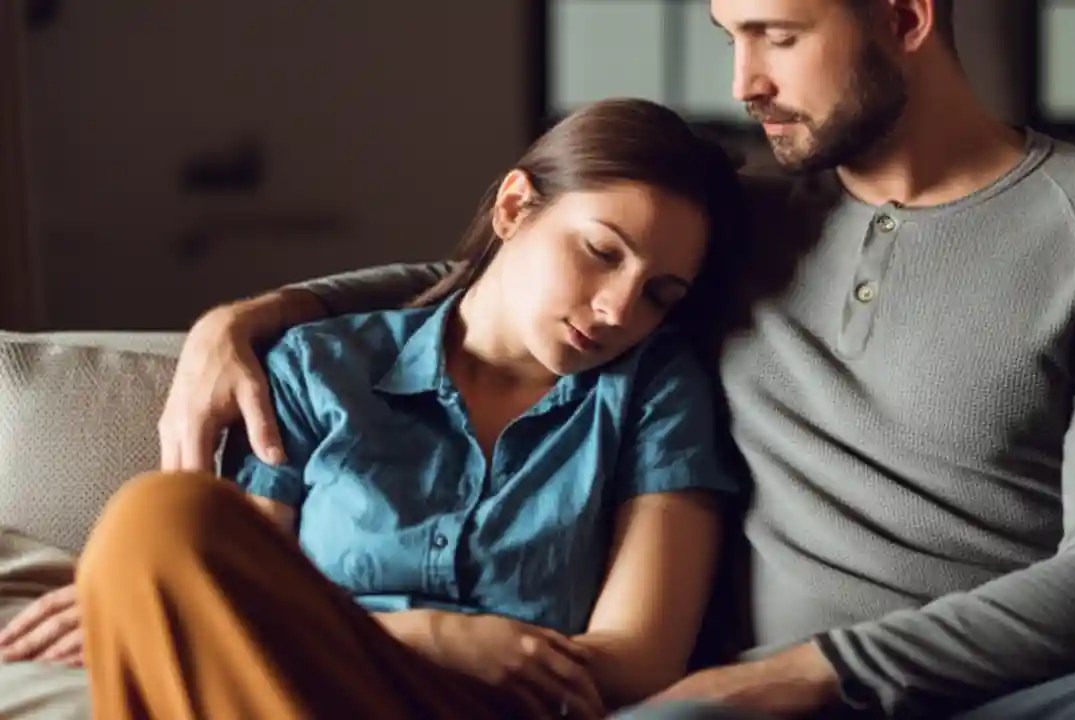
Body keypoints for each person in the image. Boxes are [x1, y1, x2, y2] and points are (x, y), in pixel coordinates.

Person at [15, 0, 1075, 718]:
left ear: (903, 15)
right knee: (165, 533)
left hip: (1005, 693)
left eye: (775, 34)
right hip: (721, 710)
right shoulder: (745, 224)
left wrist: (791, 679)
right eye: (730, 32)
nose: (743, 79)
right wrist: (244, 317)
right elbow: (505, 288)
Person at [0, 98, 748, 719]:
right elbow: (242, 598)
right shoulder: (319, 365)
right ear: (516, 207)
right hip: (301, 691)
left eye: (660, 294)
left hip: (496, 710)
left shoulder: (655, 390)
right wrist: (427, 636)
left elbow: (637, 661)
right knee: (157, 517)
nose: (619, 308)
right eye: (601, 251)